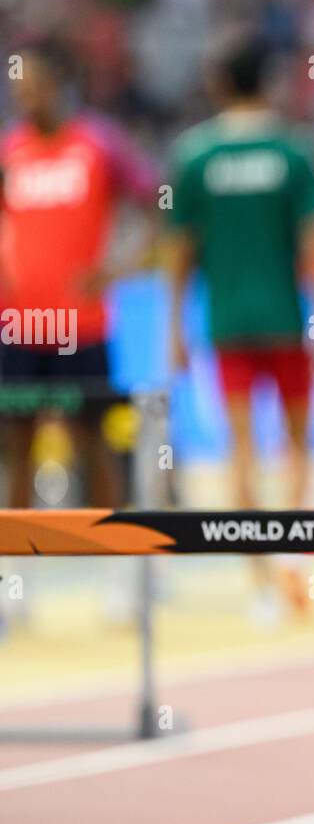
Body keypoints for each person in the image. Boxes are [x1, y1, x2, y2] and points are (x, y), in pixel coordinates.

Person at [164, 34, 314, 625]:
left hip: (227, 322)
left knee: (239, 452)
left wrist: (174, 329)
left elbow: (180, 250)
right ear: (268, 79)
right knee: (296, 449)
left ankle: (262, 582)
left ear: (220, 83)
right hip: (286, 320)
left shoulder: (195, 155)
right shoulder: (294, 151)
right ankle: (296, 566)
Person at [0, 38, 160, 515]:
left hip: (81, 324)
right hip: (19, 325)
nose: (26, 97)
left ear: (59, 84)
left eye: (34, 87)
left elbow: (155, 205)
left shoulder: (98, 143)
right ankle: (15, 572)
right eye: (18, 88)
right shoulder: (10, 151)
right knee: (17, 444)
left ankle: (116, 565)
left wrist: (120, 268)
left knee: (93, 441)